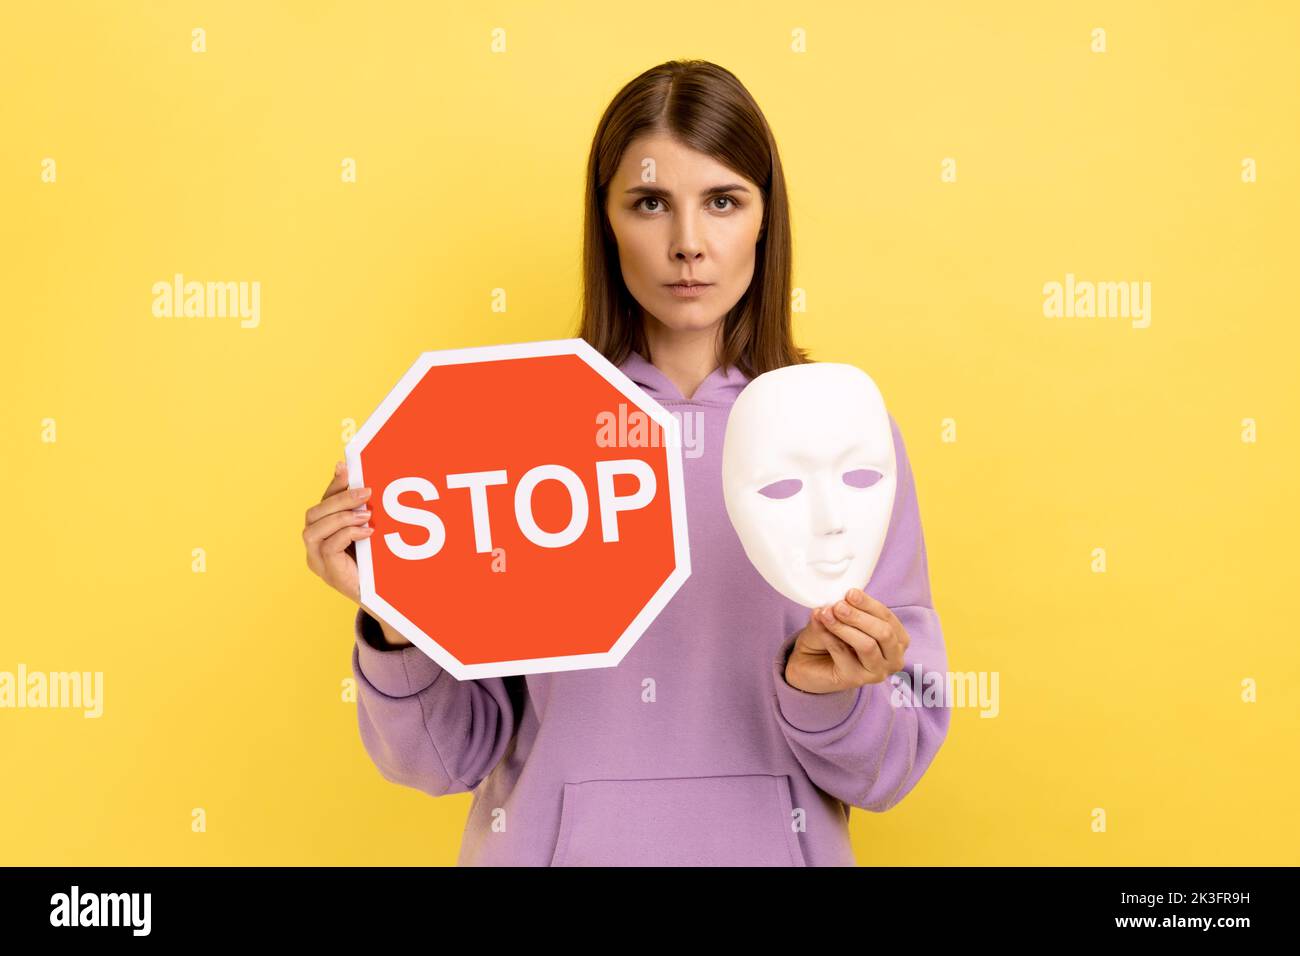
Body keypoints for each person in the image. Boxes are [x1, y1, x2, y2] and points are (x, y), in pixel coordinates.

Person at [303, 59, 950, 866]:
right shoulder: (512, 430)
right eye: (650, 203)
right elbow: (444, 760)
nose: (688, 244)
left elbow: (893, 765)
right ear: (606, 221)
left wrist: (833, 696)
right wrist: (397, 621)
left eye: (722, 201)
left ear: (764, 219)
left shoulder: (842, 434)